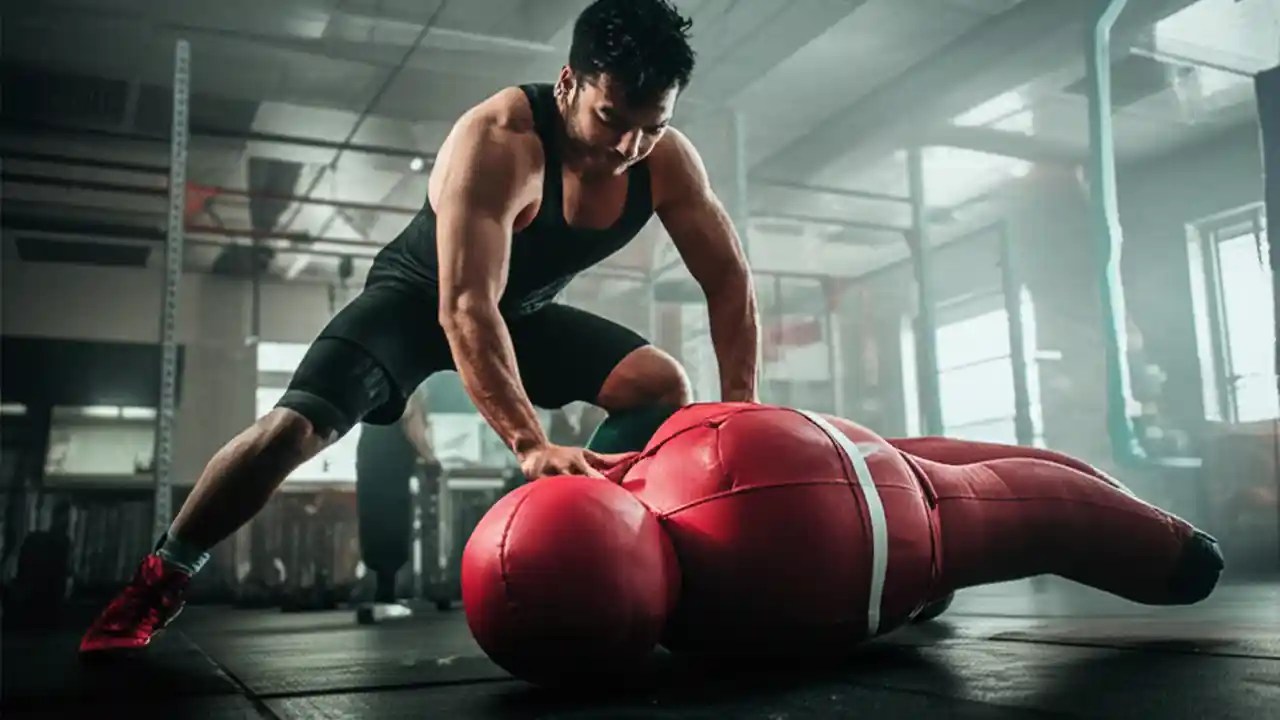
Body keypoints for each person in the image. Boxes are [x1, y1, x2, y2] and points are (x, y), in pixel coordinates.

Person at [79, 0, 759, 656]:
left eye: (653, 125)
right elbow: (464, 306)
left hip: (515, 313)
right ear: (568, 83)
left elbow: (728, 282)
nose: (631, 145)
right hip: (415, 301)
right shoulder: (499, 141)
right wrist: (530, 445)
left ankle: (629, 537)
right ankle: (162, 576)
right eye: (613, 119)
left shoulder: (665, 161)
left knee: (660, 382)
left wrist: (740, 413)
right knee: (291, 430)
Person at [354, 384, 440, 624]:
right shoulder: (410, 383)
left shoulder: (373, 382)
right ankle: (386, 594)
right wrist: (430, 458)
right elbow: (412, 424)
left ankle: (382, 590)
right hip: (392, 456)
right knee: (393, 519)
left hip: (369, 451)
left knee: (373, 517)